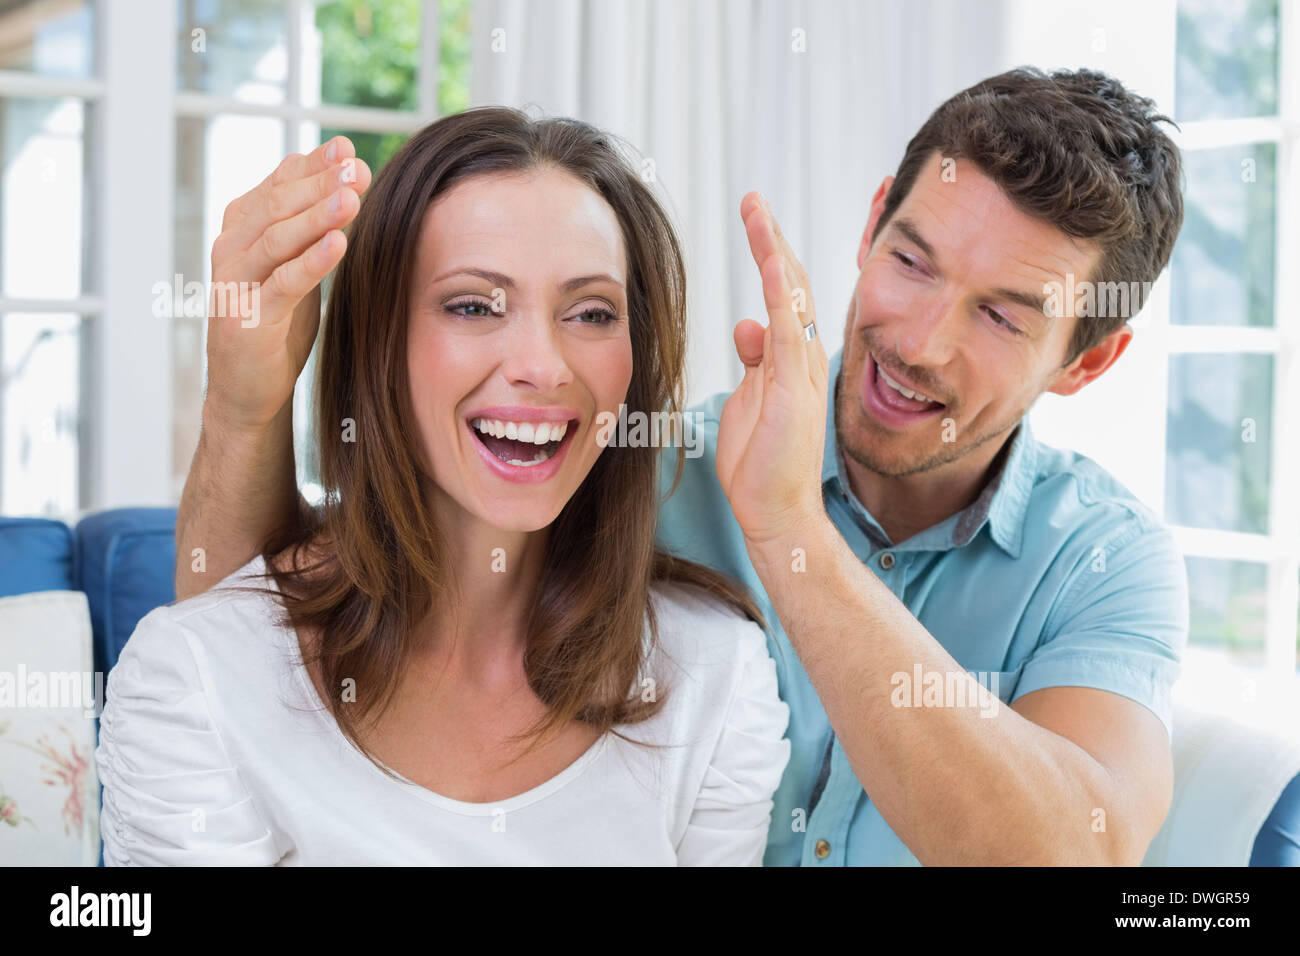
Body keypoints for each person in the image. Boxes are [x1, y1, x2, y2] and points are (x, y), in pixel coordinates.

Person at [169, 66, 1191, 867]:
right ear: (873, 219)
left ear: (1088, 356)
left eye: (1003, 314)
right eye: (911, 259)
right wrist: (245, 402)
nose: (919, 338)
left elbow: (1074, 849)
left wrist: (789, 529)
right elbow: (251, 652)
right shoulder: (627, 464)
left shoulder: (1103, 559)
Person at [94, 108, 793, 865]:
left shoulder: (716, 677)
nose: (544, 365)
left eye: (592, 313)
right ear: (377, 346)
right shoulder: (195, 679)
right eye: (472, 305)